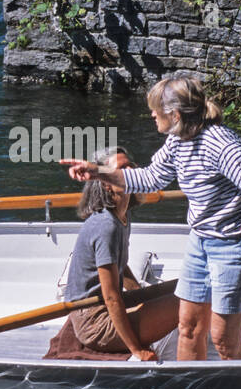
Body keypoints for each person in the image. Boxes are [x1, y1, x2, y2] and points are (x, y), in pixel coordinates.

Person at [62, 77, 241, 361]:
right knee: (188, 327)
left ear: (174, 115)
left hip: (233, 245)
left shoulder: (217, 142)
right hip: (200, 242)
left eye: (155, 109)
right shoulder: (177, 142)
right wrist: (97, 171)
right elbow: (149, 178)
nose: (151, 114)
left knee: (223, 340)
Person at [64, 147, 180, 361]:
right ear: (107, 184)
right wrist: (137, 350)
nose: (131, 171)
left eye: (131, 166)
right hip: (95, 323)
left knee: (188, 285)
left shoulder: (121, 216)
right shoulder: (106, 225)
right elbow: (110, 297)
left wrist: (140, 294)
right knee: (190, 300)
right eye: (123, 169)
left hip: (106, 309)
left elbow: (117, 263)